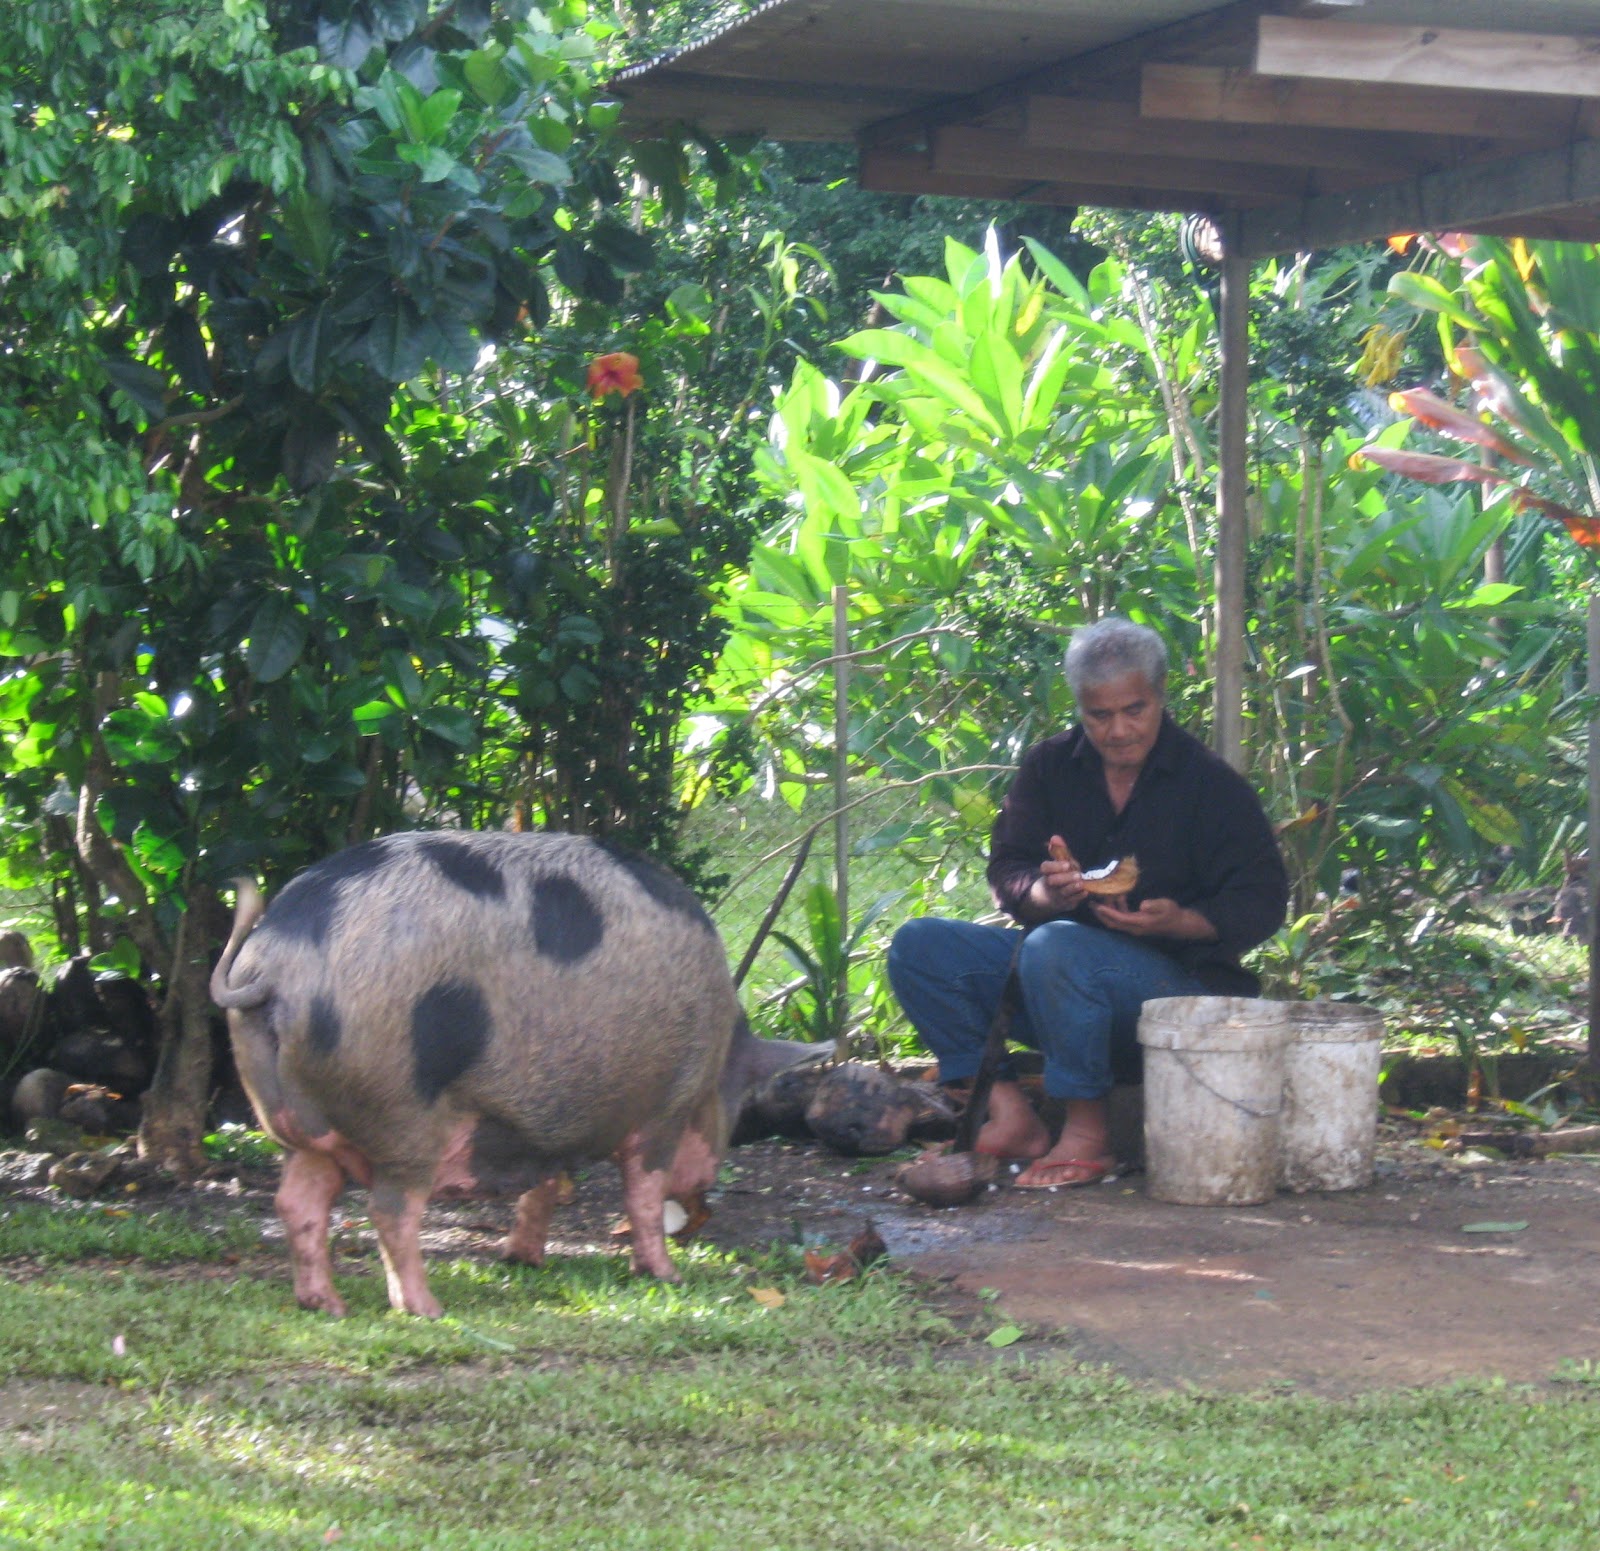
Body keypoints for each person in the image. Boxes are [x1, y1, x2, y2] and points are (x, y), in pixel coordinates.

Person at [887, 616, 1289, 1189]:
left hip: (1172, 1000)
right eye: (1099, 715)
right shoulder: (1049, 767)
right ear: (1079, 707)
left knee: (1056, 946)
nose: (1119, 730)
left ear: (1160, 697)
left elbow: (1264, 901)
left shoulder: (1211, 785)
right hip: (1057, 988)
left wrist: (1182, 922)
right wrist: (1045, 892)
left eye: (1134, 710)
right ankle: (1011, 1116)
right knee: (920, 947)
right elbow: (1008, 869)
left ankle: (1088, 1135)